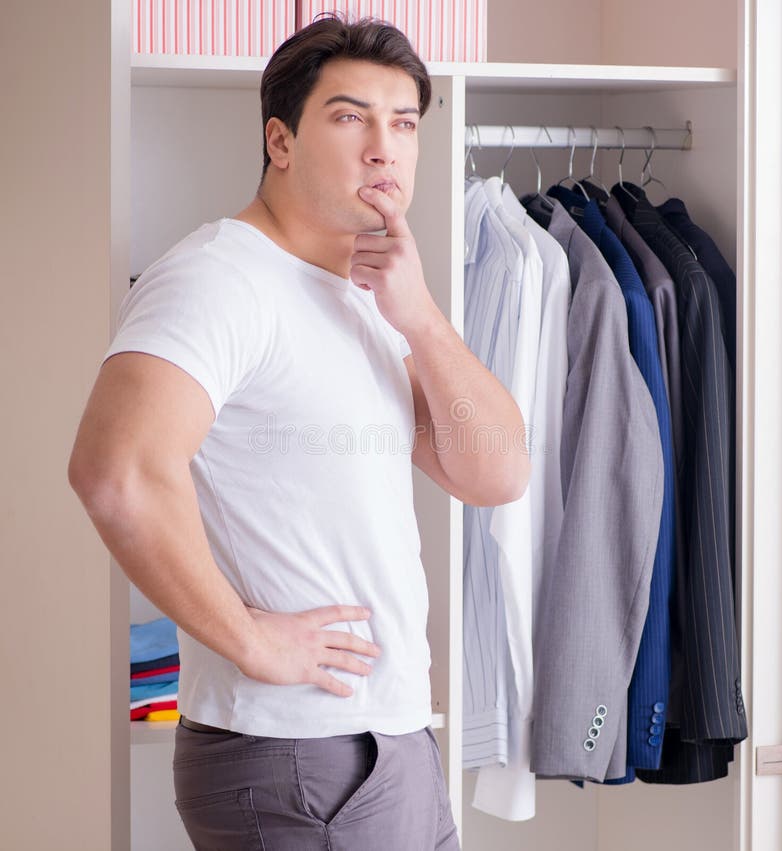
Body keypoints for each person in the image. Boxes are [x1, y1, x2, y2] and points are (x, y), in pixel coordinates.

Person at [68, 14, 529, 850]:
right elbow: (115, 471)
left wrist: (421, 315)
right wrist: (249, 639)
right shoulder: (219, 278)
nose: (383, 147)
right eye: (350, 117)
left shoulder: (373, 296)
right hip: (299, 752)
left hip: (389, 741)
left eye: (403, 123)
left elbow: (497, 473)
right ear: (280, 141)